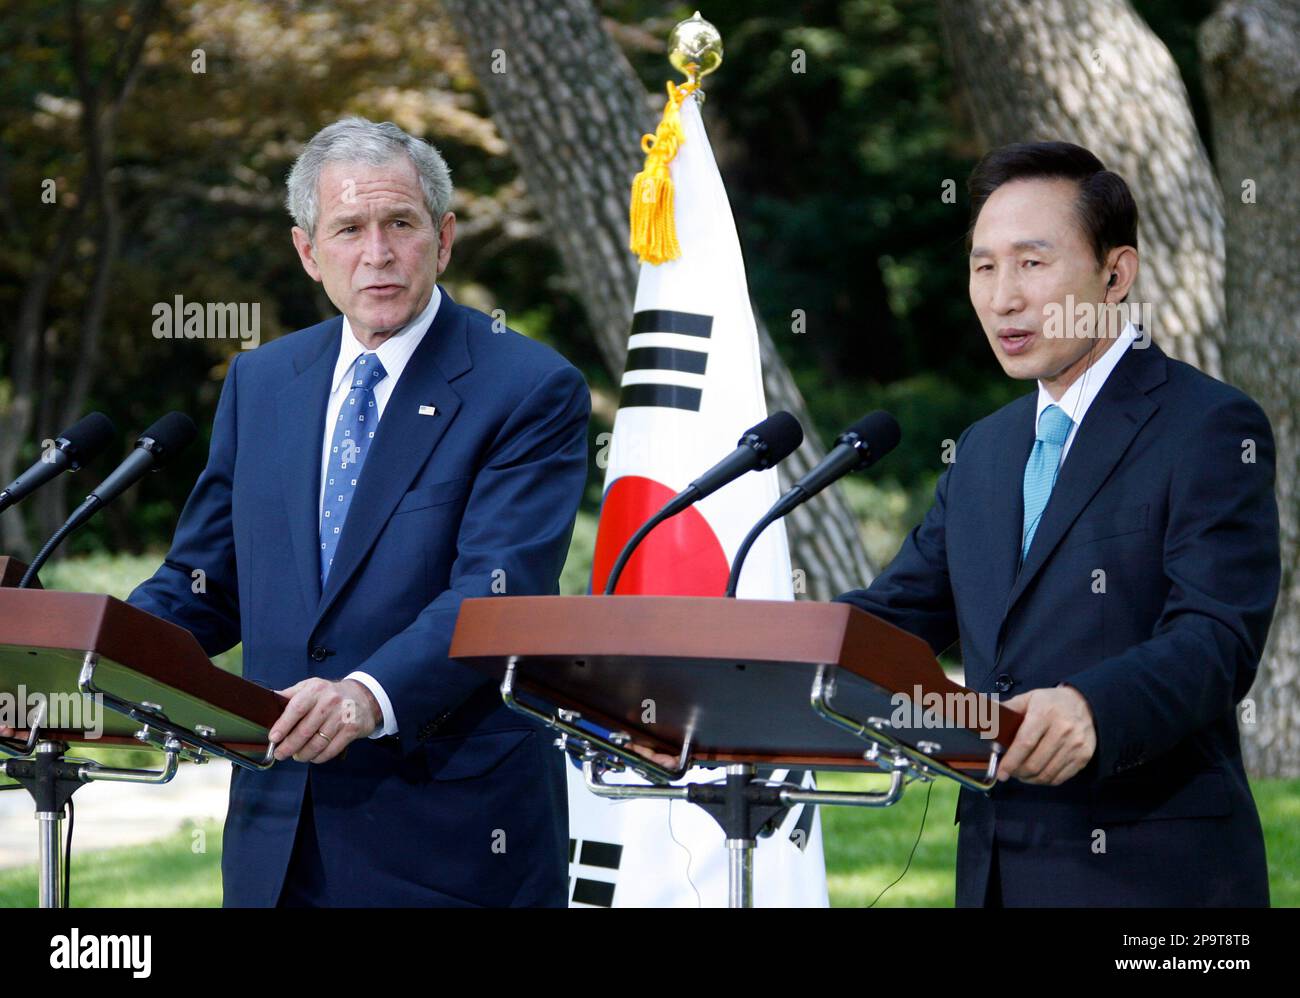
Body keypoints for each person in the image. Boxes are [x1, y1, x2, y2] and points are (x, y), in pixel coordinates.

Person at [127, 117, 590, 906]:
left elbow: (494, 594)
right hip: (277, 835)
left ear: (442, 238)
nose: (376, 253)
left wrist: (363, 695)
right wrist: (93, 652)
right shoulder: (262, 383)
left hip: (451, 836)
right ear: (309, 252)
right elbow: (207, 582)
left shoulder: (528, 388)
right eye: (348, 228)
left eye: (400, 224)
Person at [835, 140, 1279, 907]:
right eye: (983, 266)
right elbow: (893, 618)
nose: (1003, 296)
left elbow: (1215, 637)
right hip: (995, 877)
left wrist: (1091, 707)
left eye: (1032, 264)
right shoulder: (984, 451)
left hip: (1153, 884)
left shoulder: (1208, 425)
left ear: (1116, 274)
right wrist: (750, 652)